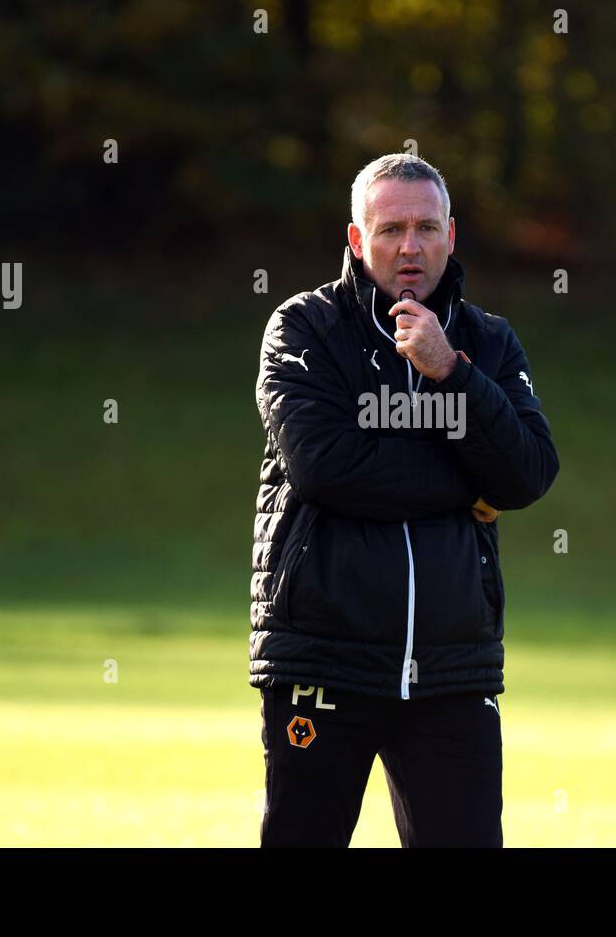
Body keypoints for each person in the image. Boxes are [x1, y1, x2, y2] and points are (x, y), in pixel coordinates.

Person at [250, 152, 559, 846]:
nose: (409, 246)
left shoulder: (487, 341)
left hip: (452, 667)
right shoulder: (305, 330)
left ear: (453, 234)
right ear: (358, 241)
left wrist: (452, 373)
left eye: (425, 227)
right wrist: (468, 480)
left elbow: (530, 473)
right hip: (323, 658)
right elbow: (327, 468)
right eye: (390, 229)